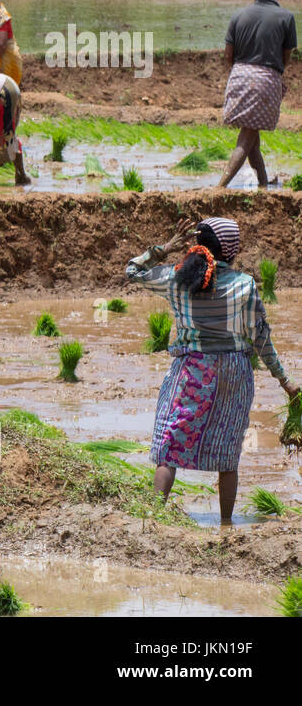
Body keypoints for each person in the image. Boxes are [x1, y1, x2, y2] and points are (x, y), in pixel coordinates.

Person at [126, 216, 297, 523]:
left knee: (169, 447)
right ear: (232, 250)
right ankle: (227, 525)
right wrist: (285, 380)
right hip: (234, 373)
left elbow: (132, 271)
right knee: (228, 453)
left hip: (192, 371)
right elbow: (260, 337)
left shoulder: (176, 279)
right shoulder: (244, 285)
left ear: (197, 244)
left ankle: (152, 518)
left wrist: (163, 248)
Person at [218, 0, 297, 188]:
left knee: (252, 133)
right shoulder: (286, 17)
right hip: (266, 78)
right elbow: (286, 56)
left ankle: (263, 184)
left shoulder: (238, 16)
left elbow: (228, 56)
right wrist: (272, 75)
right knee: (247, 135)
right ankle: (220, 186)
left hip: (239, 75)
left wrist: (243, 72)